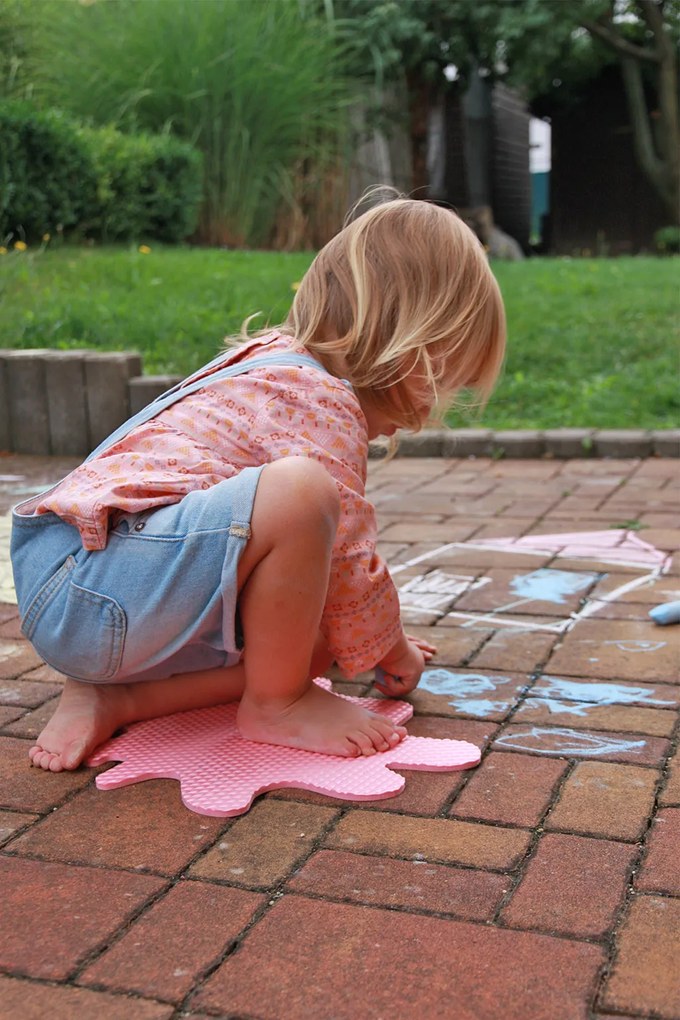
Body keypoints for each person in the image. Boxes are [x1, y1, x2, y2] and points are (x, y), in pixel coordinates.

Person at [11, 195, 506, 773]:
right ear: (409, 348)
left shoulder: (277, 364)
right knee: (304, 492)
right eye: (441, 383)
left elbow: (332, 590)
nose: (427, 414)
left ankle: (115, 696)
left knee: (315, 639)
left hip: (91, 592)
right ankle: (277, 704)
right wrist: (389, 648)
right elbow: (349, 553)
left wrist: (365, 642)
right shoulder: (320, 398)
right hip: (90, 581)